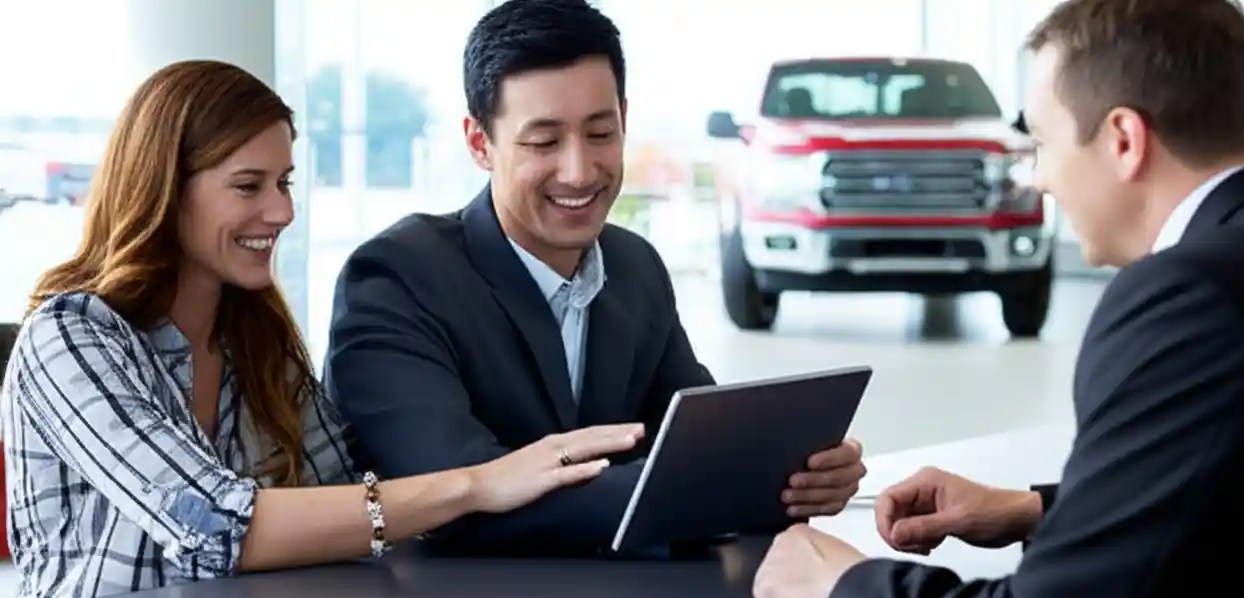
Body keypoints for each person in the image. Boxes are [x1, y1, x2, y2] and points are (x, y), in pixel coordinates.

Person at [752, 1, 1244, 598]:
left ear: (1124, 140)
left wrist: (844, 587)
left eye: (1043, 146)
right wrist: (1043, 511)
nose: (1039, 179)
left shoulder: (1186, 297)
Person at [0, 59, 646, 598]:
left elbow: (342, 491)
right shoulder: (71, 338)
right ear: (166, 193)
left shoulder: (259, 347)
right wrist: (475, 482)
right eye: (248, 186)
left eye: (283, 182)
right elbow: (214, 526)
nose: (281, 212)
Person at [323, 0, 865, 553]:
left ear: (625, 120)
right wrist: (734, 486)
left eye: (601, 133)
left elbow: (698, 445)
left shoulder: (635, 268)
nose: (579, 171)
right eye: (543, 141)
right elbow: (455, 493)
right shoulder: (395, 279)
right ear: (479, 143)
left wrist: (796, 475)